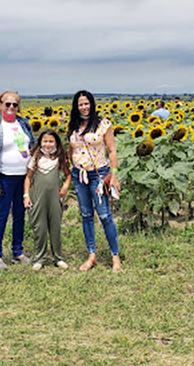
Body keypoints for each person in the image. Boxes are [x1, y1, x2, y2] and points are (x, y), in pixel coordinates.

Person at [67, 90, 122, 272]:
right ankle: (92, 255)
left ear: (92, 104)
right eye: (80, 104)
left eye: (86, 103)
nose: (84, 107)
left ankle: (115, 257)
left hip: (98, 175)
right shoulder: (74, 126)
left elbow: (112, 150)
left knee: (105, 215)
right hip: (79, 175)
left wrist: (113, 175)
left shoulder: (102, 124)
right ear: (76, 107)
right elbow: (71, 149)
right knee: (86, 215)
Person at [0, 90, 36, 269]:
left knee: (20, 215)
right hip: (4, 177)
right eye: (8, 104)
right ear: (0, 105)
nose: (11, 107)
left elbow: (33, 145)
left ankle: (17, 252)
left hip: (24, 177)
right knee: (2, 216)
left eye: (15, 104)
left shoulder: (24, 124)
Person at [23, 129, 71, 271]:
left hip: (55, 199)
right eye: (45, 141)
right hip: (38, 198)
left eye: (51, 141)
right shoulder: (35, 158)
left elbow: (68, 175)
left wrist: (65, 187)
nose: (48, 144)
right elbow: (28, 178)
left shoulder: (59, 158)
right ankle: (39, 258)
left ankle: (58, 258)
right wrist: (26, 195)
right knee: (40, 228)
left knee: (55, 228)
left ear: (56, 142)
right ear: (40, 142)